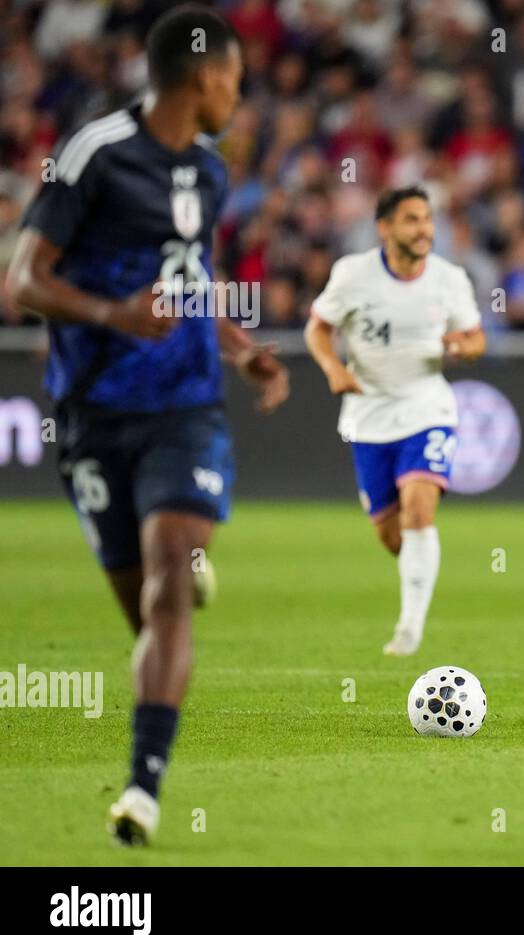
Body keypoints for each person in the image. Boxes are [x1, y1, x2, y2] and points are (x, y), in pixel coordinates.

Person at [4, 5, 289, 845]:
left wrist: (239, 350)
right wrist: (110, 314)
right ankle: (184, 567)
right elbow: (24, 279)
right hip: (94, 412)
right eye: (234, 80)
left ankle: (142, 790)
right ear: (202, 79)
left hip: (185, 404)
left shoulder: (206, 171)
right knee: (148, 611)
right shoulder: (91, 154)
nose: (238, 96)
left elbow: (192, 275)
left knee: (167, 580)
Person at [305, 186, 485, 657]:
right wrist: (333, 368)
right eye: (411, 219)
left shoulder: (448, 279)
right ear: (384, 228)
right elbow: (317, 328)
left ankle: (409, 627)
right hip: (367, 416)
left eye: (427, 219)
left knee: (419, 508)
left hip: (428, 408)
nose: (424, 229)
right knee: (392, 534)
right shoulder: (353, 275)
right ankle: (418, 580)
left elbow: (476, 337)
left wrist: (463, 347)